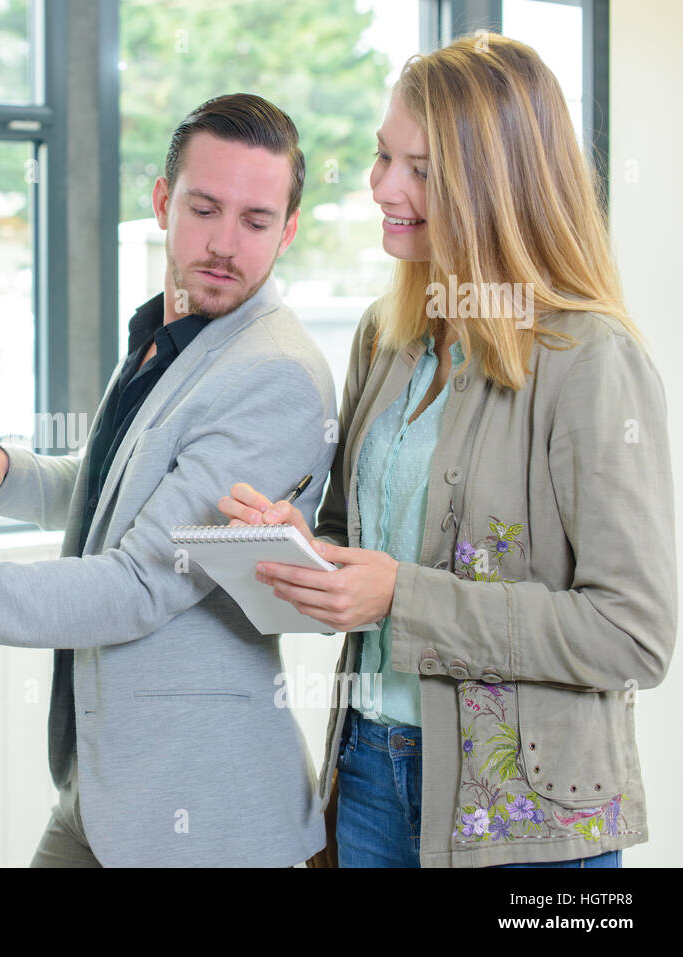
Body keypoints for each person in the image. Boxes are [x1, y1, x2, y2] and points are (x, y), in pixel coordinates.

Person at [0, 94, 337, 867]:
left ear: (287, 230)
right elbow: (119, 491)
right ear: (162, 201)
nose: (223, 244)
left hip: (199, 820)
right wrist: (5, 468)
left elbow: (136, 584)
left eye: (255, 221)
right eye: (204, 208)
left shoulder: (275, 373)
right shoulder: (179, 332)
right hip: (103, 788)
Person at [221, 34, 675, 867]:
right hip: (366, 773)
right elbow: (355, 548)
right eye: (382, 156)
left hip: (526, 820)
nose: (384, 187)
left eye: (422, 168)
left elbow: (634, 635)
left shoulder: (590, 359)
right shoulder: (385, 337)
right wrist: (298, 549)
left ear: (498, 183)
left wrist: (404, 596)